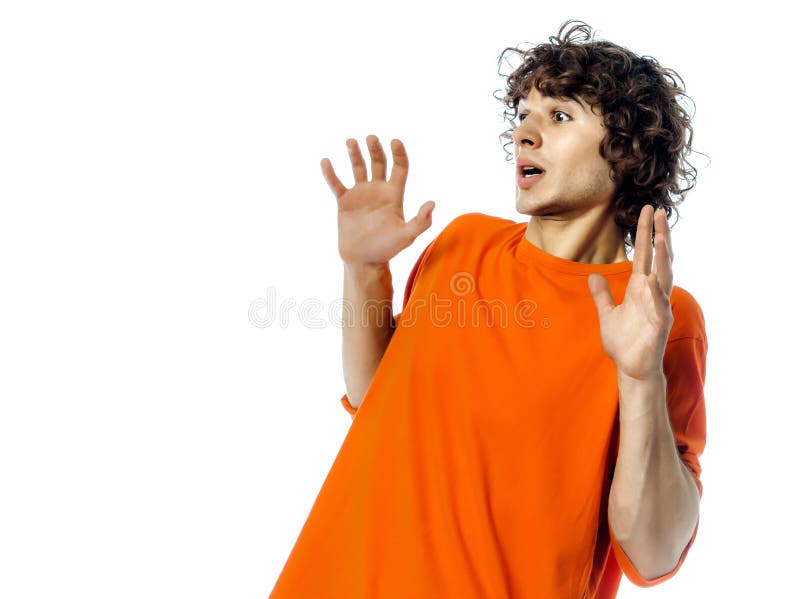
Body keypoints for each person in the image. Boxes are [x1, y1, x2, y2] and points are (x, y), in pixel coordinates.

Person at [270, 19, 707, 599]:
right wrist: (364, 270)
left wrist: (639, 375)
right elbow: (383, 402)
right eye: (523, 114)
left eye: (559, 115)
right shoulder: (462, 244)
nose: (525, 132)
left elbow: (652, 554)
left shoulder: (659, 314)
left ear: (625, 151)